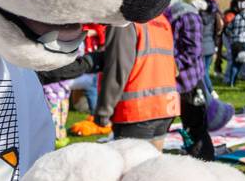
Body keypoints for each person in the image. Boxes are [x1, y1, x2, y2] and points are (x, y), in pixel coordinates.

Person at [41, 16, 181, 150]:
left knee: (132, 169)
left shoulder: (124, 22)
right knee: (152, 167)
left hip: (138, 111)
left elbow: (117, 68)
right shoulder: (161, 20)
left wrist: (103, 111)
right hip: (166, 106)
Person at [168, 0, 215, 160]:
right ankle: (196, 157)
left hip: (189, 82)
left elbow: (193, 51)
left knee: (195, 127)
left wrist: (171, 64)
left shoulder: (187, 16)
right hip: (172, 82)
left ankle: (204, 162)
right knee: (169, 125)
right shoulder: (168, 15)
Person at [197, 0, 223, 97]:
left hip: (201, 47)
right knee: (205, 70)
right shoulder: (213, 17)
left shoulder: (197, 17)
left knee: (203, 72)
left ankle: (210, 91)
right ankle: (205, 91)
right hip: (210, 46)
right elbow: (217, 31)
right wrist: (215, 46)